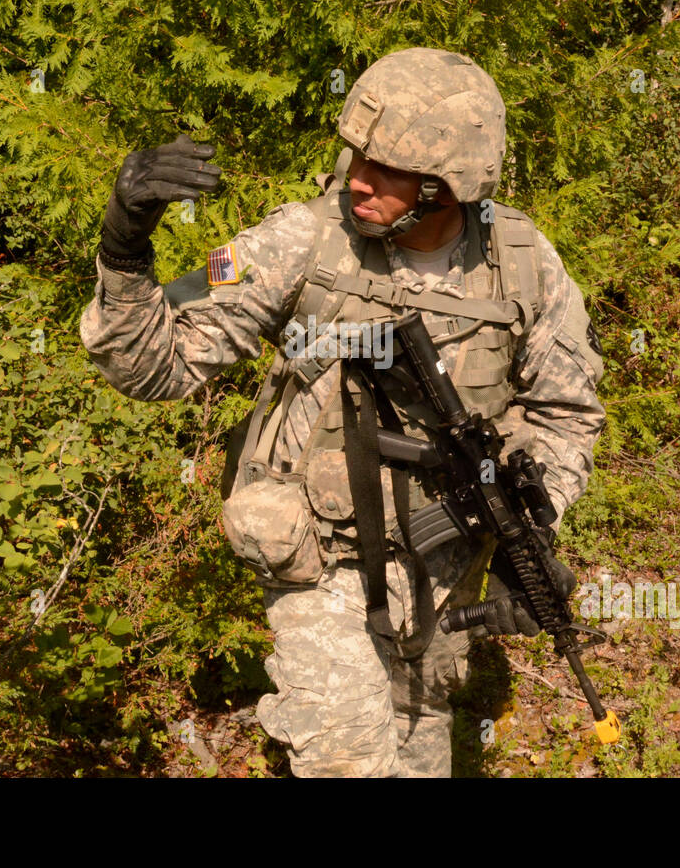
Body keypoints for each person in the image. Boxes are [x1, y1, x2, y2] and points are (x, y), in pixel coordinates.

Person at [79, 47, 606, 777]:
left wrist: (528, 524)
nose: (357, 176)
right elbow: (151, 365)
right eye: (357, 152)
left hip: (442, 574)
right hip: (319, 562)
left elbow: (566, 412)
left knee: (419, 758)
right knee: (352, 764)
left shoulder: (521, 263)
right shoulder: (306, 240)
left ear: (448, 185)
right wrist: (124, 246)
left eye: (386, 167)